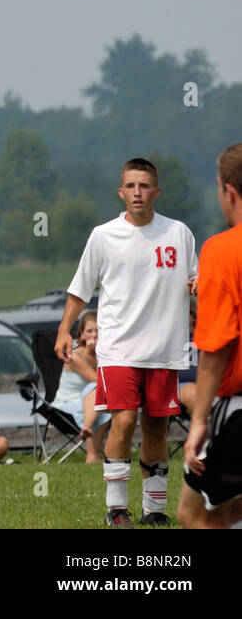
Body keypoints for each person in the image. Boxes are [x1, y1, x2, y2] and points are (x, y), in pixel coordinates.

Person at [56, 157, 197, 528]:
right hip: (118, 349)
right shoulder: (103, 236)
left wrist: (200, 287)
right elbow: (79, 290)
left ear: (156, 191)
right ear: (121, 192)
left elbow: (196, 281)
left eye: (145, 186)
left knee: (156, 429)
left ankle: (154, 509)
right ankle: (117, 508)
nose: (138, 192)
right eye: (131, 186)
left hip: (164, 350)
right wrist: (63, 330)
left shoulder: (178, 233)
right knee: (123, 421)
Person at [179, 142, 242, 529]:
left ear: (228, 192)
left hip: (236, 410)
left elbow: (216, 347)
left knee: (194, 514)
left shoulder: (222, 251)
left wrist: (199, 420)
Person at [51, 310, 109, 463]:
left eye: (98, 330)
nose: (95, 334)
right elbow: (98, 381)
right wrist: (98, 356)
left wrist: (98, 354)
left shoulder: (104, 354)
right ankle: (89, 439)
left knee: (106, 409)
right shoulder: (75, 356)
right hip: (66, 404)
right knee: (95, 390)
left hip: (92, 405)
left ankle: (93, 454)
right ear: (82, 335)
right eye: (90, 331)